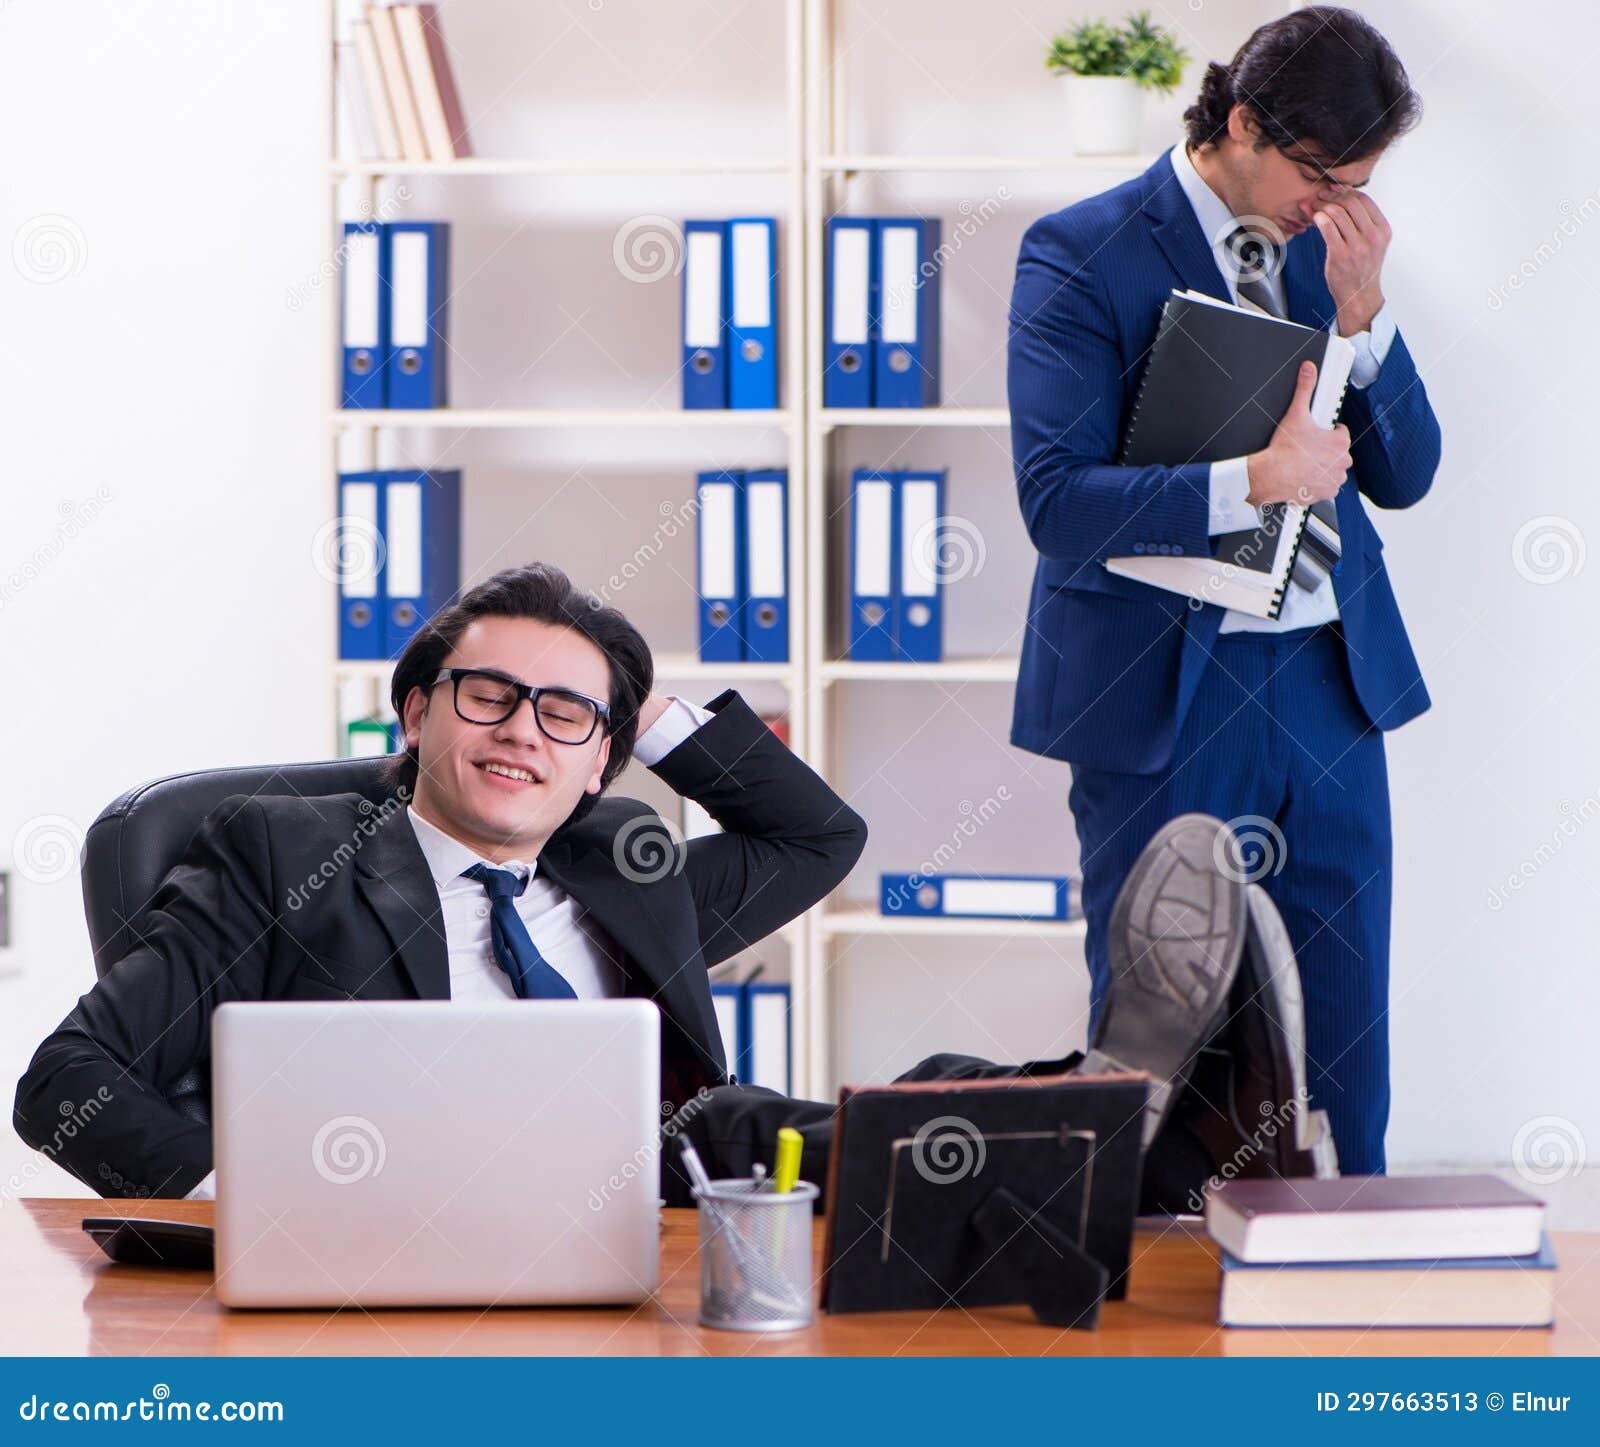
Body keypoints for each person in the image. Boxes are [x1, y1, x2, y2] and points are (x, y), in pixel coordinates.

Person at [15, 564, 1313, 1213]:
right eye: (488, 693)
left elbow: (817, 836)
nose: (522, 727)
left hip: (666, 1196)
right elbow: (64, 1081)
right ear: (414, 712)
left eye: (564, 712)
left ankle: (1151, 1131)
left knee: (868, 1112)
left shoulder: (618, 870)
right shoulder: (278, 851)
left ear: (600, 759)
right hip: (408, 1205)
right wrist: (242, 1205)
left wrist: (643, 719)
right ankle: (1139, 1127)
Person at [1005, 6, 1441, 1176]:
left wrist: (1369, 316)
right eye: (1316, 174)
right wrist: (1253, 478)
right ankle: (1143, 1267)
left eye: (1355, 180)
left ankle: (1351, 1248)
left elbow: (1408, 475)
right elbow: (1054, 500)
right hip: (1163, 686)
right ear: (1240, 123)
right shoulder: (1080, 248)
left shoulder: (1329, 253)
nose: (1330, 203)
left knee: (1348, 1022)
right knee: (1161, 1016)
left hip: (1326, 683)